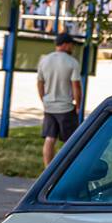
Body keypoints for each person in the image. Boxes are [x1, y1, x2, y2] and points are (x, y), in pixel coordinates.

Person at [36, 31, 82, 167]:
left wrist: (43, 99)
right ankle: (66, 168)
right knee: (71, 141)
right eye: (71, 45)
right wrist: (78, 105)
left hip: (49, 106)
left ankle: (47, 169)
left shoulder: (44, 60)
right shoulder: (72, 62)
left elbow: (39, 82)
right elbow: (76, 86)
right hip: (65, 107)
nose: (72, 48)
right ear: (66, 45)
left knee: (50, 138)